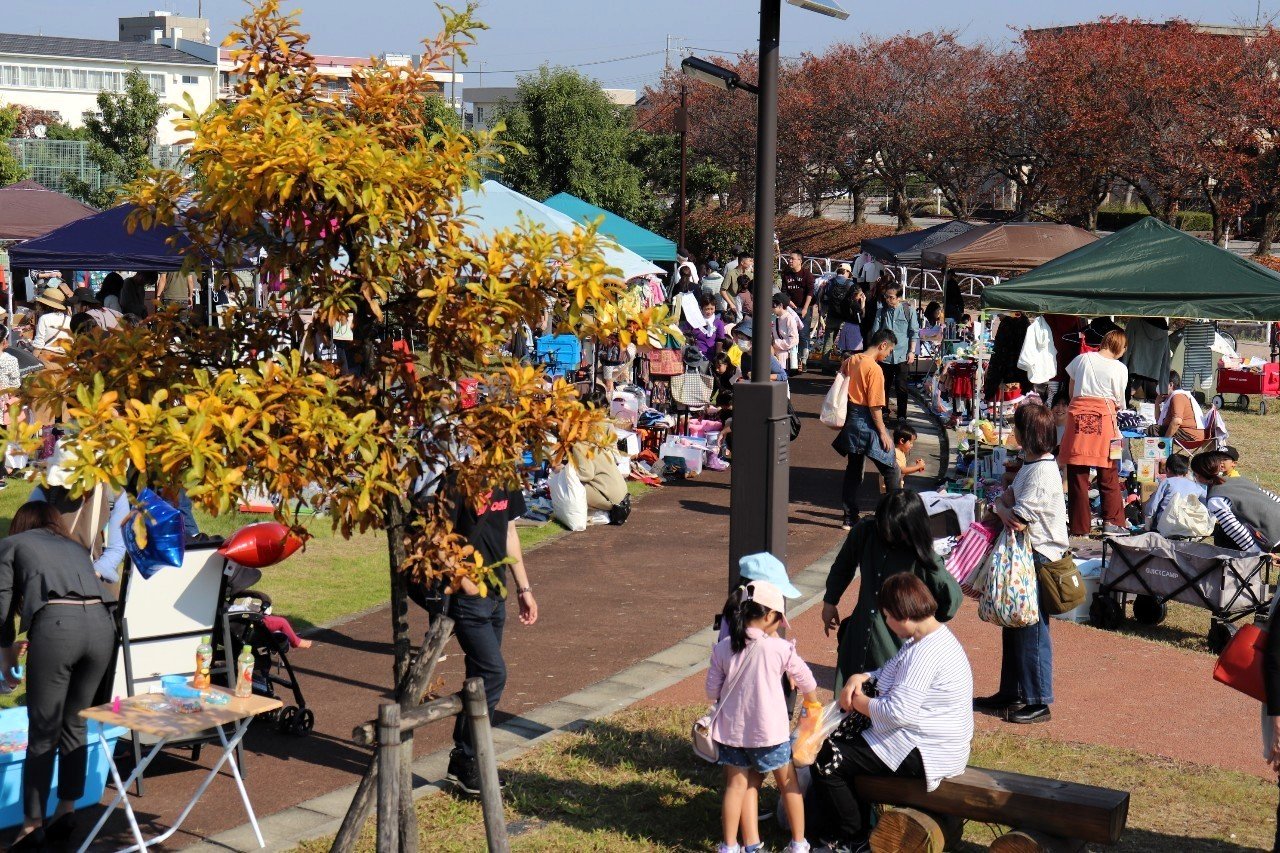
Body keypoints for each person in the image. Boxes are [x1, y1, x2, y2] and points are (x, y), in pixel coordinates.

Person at [808, 573, 973, 851]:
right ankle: (853, 829)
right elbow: (888, 672)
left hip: (926, 751)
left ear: (902, 613)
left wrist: (858, 701)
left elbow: (897, 713)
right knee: (840, 748)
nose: (886, 622)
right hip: (931, 743)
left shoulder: (925, 652)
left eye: (887, 615)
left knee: (828, 757)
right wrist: (861, 677)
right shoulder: (927, 639)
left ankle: (854, 837)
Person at [408, 481, 538, 795]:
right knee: (493, 673)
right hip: (469, 599)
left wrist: (524, 590)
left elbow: (509, 534)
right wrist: (465, 581)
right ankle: (469, 757)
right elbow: (435, 538)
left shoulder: (506, 478)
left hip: (496, 594)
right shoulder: (459, 479)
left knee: (479, 676)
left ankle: (463, 762)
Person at [0, 502, 116, 850]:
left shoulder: (12, 545)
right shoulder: (74, 546)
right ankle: (66, 810)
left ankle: (31, 827)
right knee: (74, 723)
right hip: (102, 626)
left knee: (42, 732)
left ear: (20, 523)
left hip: (58, 626)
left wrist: (5, 658)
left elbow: (2, 606)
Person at [707, 580, 818, 853]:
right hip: (770, 734)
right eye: (779, 619)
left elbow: (712, 690)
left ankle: (731, 846)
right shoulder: (779, 649)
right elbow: (807, 681)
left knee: (737, 787)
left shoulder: (723, 647)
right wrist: (811, 703)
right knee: (788, 784)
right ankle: (799, 843)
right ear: (769, 616)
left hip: (732, 734)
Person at [977, 403, 1069, 724]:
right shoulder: (1034, 465)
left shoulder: (1041, 472)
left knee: (1031, 628)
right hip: (1028, 553)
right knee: (1016, 622)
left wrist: (1001, 508)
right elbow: (1007, 499)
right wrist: (1004, 504)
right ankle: (1013, 692)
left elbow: (1016, 517)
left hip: (1040, 556)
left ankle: (1038, 700)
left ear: (1023, 435)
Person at [823, 489, 961, 686]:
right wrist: (830, 601)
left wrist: (920, 621)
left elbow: (951, 602)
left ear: (912, 528)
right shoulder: (866, 530)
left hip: (896, 646)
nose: (888, 535)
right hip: (860, 634)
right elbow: (843, 565)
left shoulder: (921, 555)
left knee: (887, 704)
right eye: (884, 527)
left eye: (896, 531)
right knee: (849, 702)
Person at [1061, 329, 1129, 536]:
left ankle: (1079, 527)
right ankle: (1113, 522)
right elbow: (1119, 401)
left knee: (1077, 475)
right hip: (1105, 419)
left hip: (1078, 418)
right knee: (1108, 472)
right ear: (1120, 347)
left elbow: (1072, 391)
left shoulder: (1081, 359)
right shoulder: (1120, 368)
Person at [833, 329, 900, 530]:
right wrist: (883, 432)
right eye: (889, 351)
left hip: (851, 420)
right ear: (883, 345)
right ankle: (895, 516)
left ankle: (849, 516)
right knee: (891, 468)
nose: (888, 356)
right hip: (867, 422)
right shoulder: (875, 369)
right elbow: (875, 407)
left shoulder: (852, 360)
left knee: (854, 469)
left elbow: (842, 376)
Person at [1192, 451, 1280, 554]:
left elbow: (1234, 528)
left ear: (1198, 475)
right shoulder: (1239, 479)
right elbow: (1270, 496)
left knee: (1223, 536)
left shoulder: (1216, 498)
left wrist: (1257, 553)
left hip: (1272, 536)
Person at [867, 283, 918, 423]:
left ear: (899, 298)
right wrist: (875, 353)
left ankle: (902, 414)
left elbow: (914, 332)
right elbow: (875, 333)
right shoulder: (881, 311)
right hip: (885, 356)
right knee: (884, 385)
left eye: (891, 297)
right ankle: (883, 411)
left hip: (902, 354)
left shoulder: (909, 311)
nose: (888, 300)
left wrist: (912, 351)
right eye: (886, 297)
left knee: (902, 386)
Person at [1144, 453, 1206, 531]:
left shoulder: (1167, 482)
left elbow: (1153, 505)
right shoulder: (1196, 486)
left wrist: (1148, 518)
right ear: (1186, 471)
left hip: (1167, 523)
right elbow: (1206, 501)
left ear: (1167, 469)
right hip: (1190, 524)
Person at [780, 251, 816, 364]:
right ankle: (792, 361)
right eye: (789, 259)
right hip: (790, 308)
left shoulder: (807, 275)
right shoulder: (786, 275)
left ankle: (803, 361)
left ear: (800, 261)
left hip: (804, 308)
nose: (790, 261)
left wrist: (805, 308)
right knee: (790, 333)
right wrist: (789, 303)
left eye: (792, 259)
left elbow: (810, 293)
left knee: (803, 334)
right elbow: (784, 292)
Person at [1150, 371, 1205, 442]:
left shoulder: (1178, 397)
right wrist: (1157, 403)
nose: (1158, 386)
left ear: (1170, 385)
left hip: (1190, 435)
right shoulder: (1172, 397)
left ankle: (1160, 451)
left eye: (1161, 383)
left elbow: (1177, 421)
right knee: (1155, 428)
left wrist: (1165, 441)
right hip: (1185, 433)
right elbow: (1159, 422)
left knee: (1153, 429)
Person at [732, 319, 787, 384]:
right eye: (739, 338)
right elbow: (746, 377)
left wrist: (759, 377)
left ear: (752, 340)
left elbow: (783, 376)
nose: (739, 341)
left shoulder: (764, 356)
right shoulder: (744, 356)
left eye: (742, 338)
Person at [684, 292, 729, 360]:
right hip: (694, 354)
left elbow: (719, 341)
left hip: (710, 356)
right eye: (707, 309)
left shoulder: (718, 323)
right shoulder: (693, 320)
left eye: (712, 309)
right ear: (701, 308)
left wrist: (717, 358)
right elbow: (684, 333)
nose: (709, 312)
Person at [32, 286, 72, 360]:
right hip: (66, 359)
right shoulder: (69, 319)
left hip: (49, 358)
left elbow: (38, 345)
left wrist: (32, 364)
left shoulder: (44, 318)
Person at [771, 293, 803, 372]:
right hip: (776, 355)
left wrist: (775, 342)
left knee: (782, 380)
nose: (771, 307)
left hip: (785, 358)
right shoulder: (776, 319)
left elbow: (794, 340)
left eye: (773, 304)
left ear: (780, 305)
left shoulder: (789, 319)